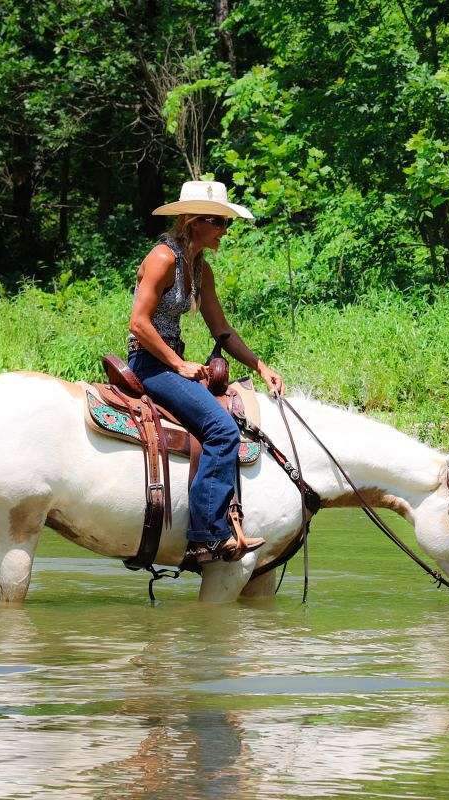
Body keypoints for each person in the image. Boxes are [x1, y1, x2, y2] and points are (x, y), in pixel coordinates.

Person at [127, 180, 285, 565]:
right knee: (222, 429)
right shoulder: (164, 259)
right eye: (218, 222)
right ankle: (207, 535)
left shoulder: (200, 269)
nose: (224, 231)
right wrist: (179, 364)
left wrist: (259, 365)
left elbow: (221, 330)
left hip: (169, 361)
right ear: (194, 221)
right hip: (150, 363)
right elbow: (138, 323)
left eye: (227, 223)